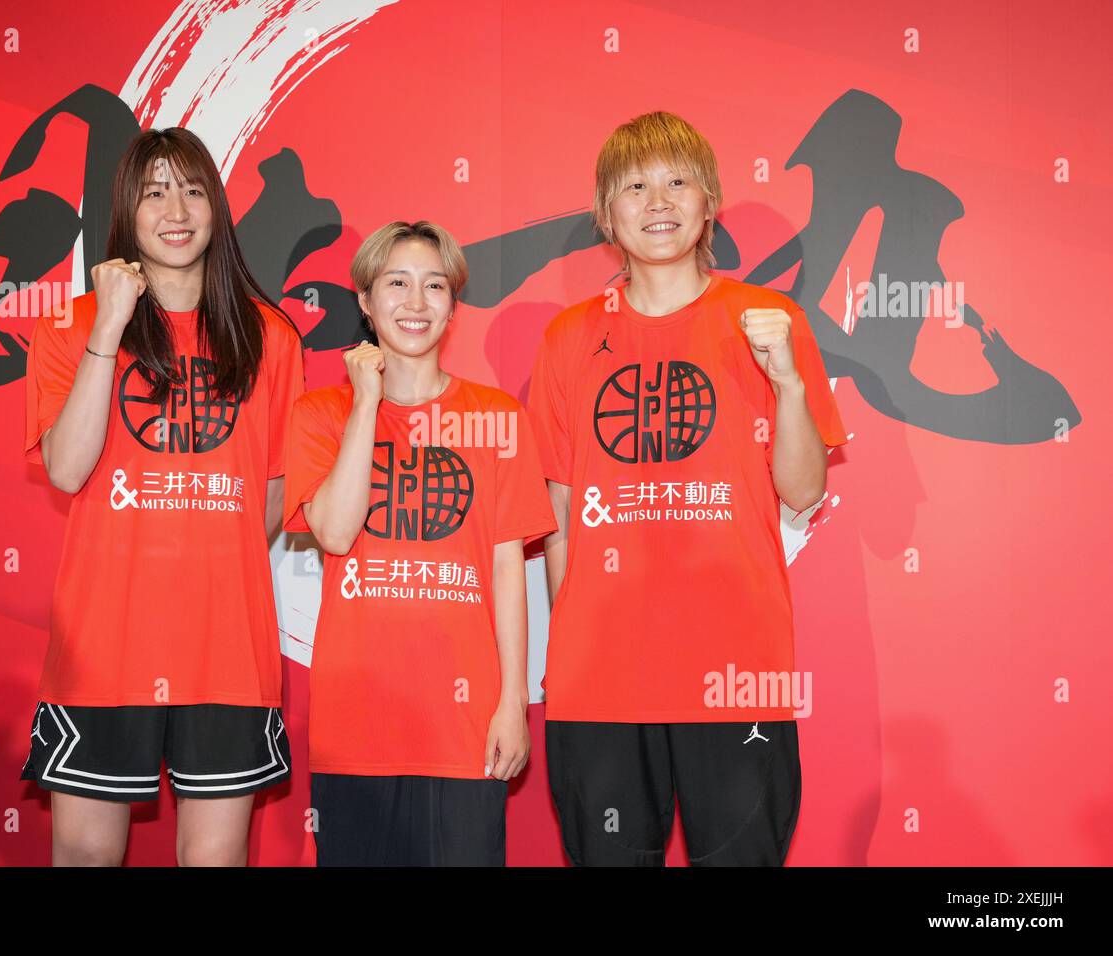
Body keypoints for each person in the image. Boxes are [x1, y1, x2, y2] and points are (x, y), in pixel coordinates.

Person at [527, 111, 849, 866]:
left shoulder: (765, 321)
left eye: (678, 182)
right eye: (635, 186)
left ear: (710, 203)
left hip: (736, 668)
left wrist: (789, 386)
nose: (658, 201)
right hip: (601, 676)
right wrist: (571, 655)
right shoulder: (570, 336)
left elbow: (801, 493)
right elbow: (561, 515)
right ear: (607, 213)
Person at [19, 127, 305, 866]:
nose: (175, 208)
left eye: (192, 188)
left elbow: (272, 496)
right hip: (104, 644)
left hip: (227, 650)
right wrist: (109, 326)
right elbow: (67, 469)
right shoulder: (71, 326)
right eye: (154, 191)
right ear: (125, 210)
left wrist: (208, 548)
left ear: (217, 206)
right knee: (86, 856)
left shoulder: (270, 337)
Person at [282, 221, 556, 866]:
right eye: (396, 284)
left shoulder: (498, 419)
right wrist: (366, 403)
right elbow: (336, 531)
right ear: (365, 302)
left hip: (463, 726)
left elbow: (505, 565)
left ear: (454, 305)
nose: (415, 302)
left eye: (434, 286)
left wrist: (512, 702)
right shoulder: (320, 414)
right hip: (358, 723)